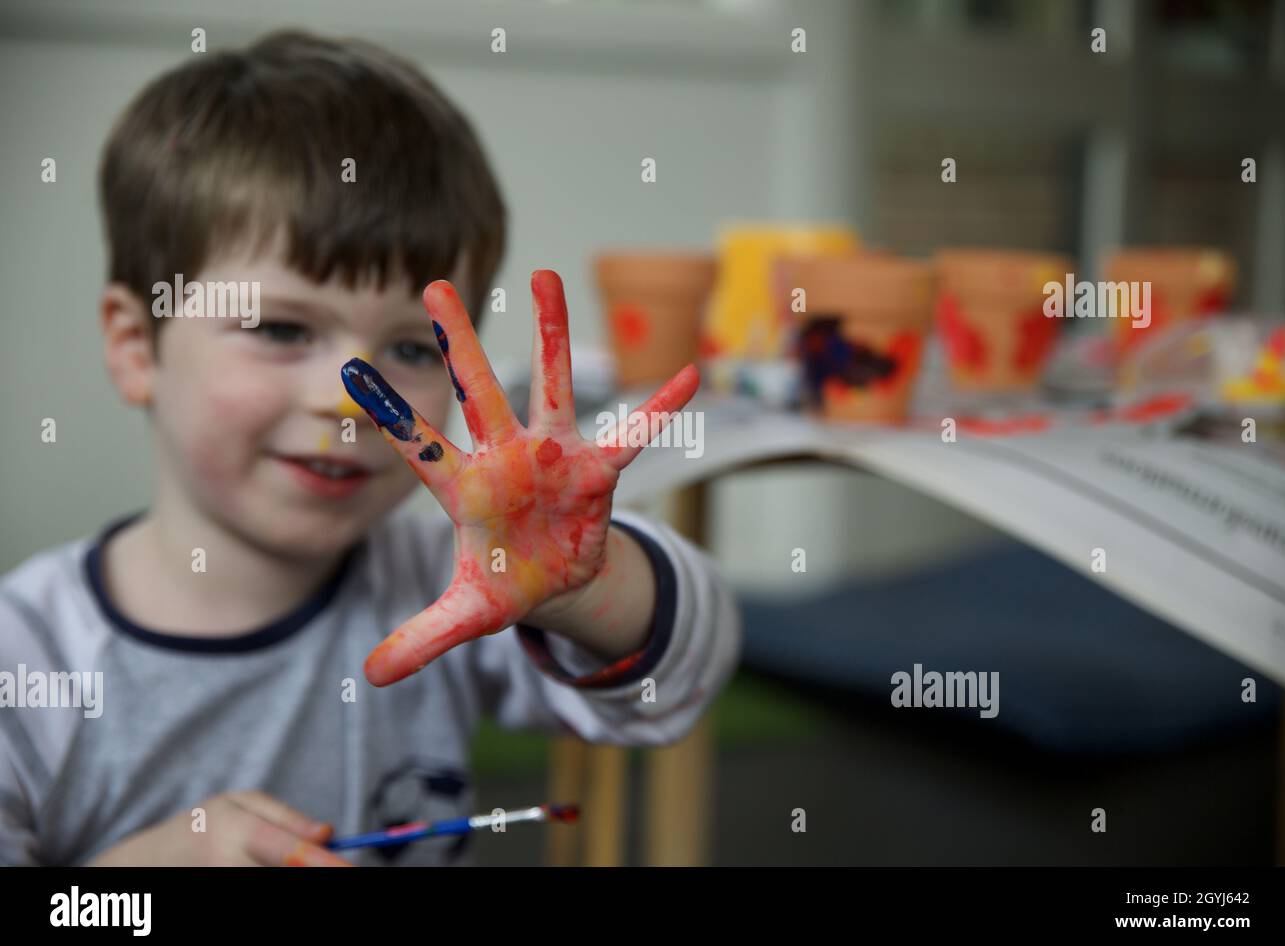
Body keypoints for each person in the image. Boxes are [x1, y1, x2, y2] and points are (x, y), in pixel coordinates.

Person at [0, 31, 739, 866]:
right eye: (280, 328)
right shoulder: (26, 660)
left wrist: (580, 584)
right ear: (137, 346)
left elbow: (683, 682)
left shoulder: (451, 581)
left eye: (413, 351)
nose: (346, 399)